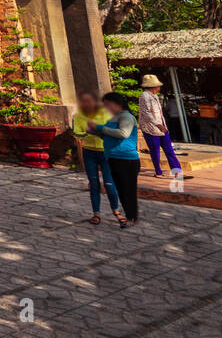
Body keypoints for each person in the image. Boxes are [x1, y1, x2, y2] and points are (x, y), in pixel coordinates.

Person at [89, 92, 141, 227]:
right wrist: (95, 131)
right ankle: (129, 217)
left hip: (127, 160)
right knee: (121, 190)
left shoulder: (126, 117)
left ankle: (132, 218)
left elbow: (123, 134)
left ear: (117, 104)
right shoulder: (113, 118)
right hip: (113, 158)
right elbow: (108, 136)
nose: (106, 108)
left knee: (128, 190)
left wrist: (100, 127)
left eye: (108, 104)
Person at [72, 91, 121, 225]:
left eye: (90, 101)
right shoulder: (78, 116)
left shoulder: (106, 115)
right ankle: (96, 214)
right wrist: (87, 132)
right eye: (84, 101)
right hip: (89, 152)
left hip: (106, 152)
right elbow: (77, 133)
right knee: (93, 183)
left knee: (109, 183)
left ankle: (116, 210)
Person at [137, 74, 182, 176]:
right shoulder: (144, 96)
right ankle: (158, 171)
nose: (159, 88)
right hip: (150, 128)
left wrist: (161, 125)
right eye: (158, 86)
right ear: (153, 86)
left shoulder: (155, 96)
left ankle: (176, 171)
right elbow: (146, 112)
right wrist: (158, 125)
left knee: (169, 150)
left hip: (161, 127)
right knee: (155, 151)